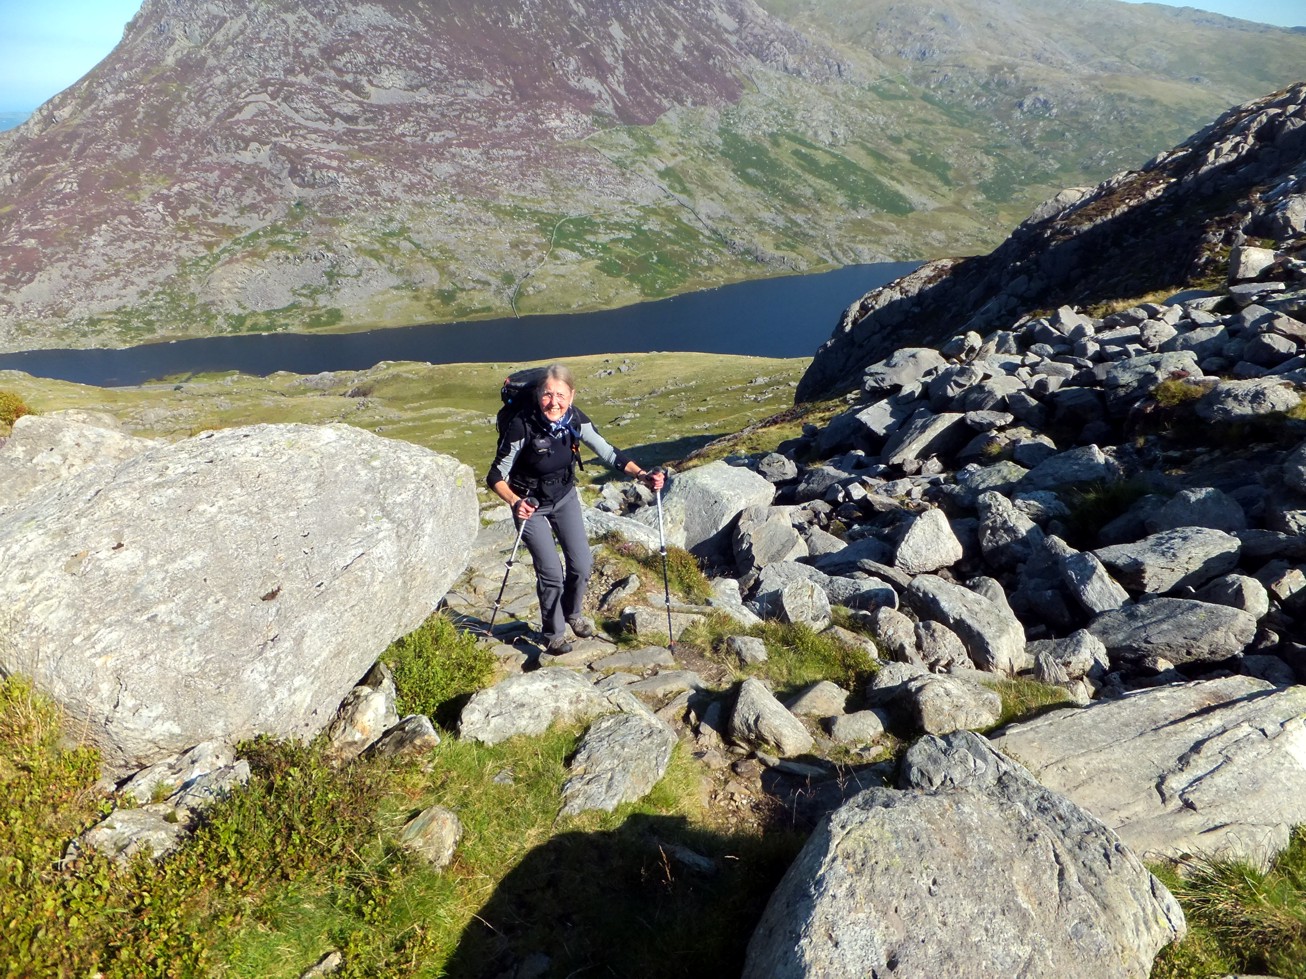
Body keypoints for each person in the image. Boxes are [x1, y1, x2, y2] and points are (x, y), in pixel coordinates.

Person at [487, 363, 666, 653]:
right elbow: (495, 475)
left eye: (560, 395)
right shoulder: (522, 425)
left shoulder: (574, 419)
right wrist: (515, 502)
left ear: (571, 395)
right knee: (551, 573)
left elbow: (608, 451)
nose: (553, 402)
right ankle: (553, 633)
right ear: (538, 395)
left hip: (565, 496)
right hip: (529, 504)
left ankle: (573, 613)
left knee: (582, 564)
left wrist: (641, 475)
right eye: (547, 395)